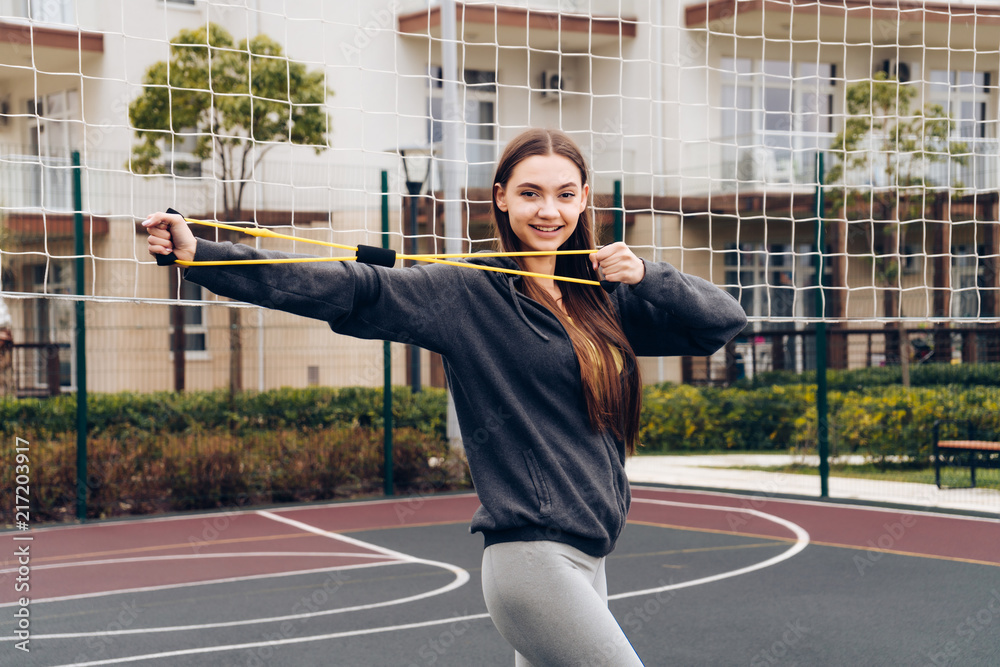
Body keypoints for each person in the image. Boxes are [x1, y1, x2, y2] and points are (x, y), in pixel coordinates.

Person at [144, 128, 747, 666]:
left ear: (584, 199)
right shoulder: (467, 291)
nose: (549, 210)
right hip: (532, 562)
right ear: (501, 198)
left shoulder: (602, 299)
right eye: (531, 193)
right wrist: (206, 257)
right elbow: (351, 289)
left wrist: (649, 275)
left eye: (565, 194)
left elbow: (720, 323)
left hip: (592, 559)